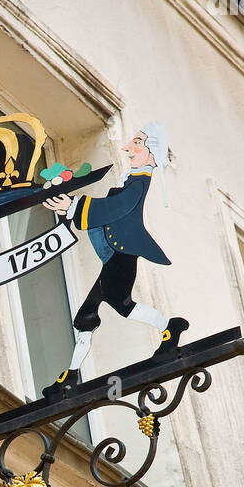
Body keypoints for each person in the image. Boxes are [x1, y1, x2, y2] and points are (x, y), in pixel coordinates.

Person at [42, 123, 188, 393]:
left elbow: (114, 210)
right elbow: (99, 216)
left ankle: (170, 327)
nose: (127, 148)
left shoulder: (138, 184)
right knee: (99, 312)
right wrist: (68, 208)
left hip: (121, 257)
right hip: (113, 258)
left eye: (137, 143)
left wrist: (72, 205)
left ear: (151, 152)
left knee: (108, 309)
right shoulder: (129, 180)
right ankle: (71, 376)